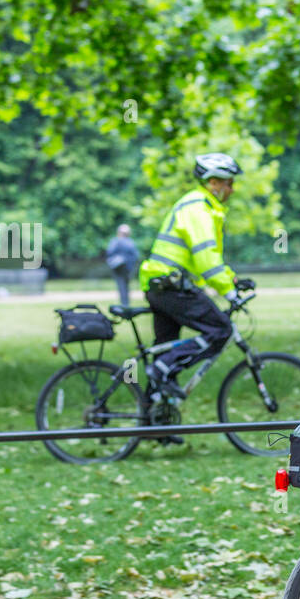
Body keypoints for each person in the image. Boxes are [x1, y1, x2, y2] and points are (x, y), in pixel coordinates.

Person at [136, 153, 256, 418]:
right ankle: (163, 369)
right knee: (220, 329)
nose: (232, 189)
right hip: (171, 287)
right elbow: (205, 258)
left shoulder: (199, 206)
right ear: (213, 182)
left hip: (161, 286)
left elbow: (209, 259)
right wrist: (229, 292)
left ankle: (154, 426)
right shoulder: (198, 208)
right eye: (228, 183)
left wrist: (233, 279)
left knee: (166, 345)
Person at [105, 224, 139, 305]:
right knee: (126, 287)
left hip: (118, 268)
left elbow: (109, 252)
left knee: (121, 286)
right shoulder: (130, 242)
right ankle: (126, 303)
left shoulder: (115, 241)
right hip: (128, 268)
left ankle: (124, 304)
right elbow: (136, 256)